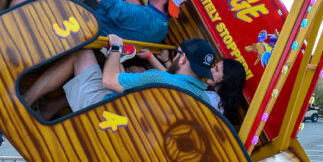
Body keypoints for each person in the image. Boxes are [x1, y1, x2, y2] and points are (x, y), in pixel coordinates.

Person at [23, 36, 216, 119]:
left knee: (82, 55)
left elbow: (109, 81)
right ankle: (48, 108)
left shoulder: (159, 79)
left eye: (176, 53)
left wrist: (116, 48)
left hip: (104, 116)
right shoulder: (205, 101)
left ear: (183, 58)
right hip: (132, 131)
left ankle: (23, 101)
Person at [137, 51, 246, 125]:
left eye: (216, 69)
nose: (211, 70)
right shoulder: (218, 104)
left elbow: (174, 81)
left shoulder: (209, 99)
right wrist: (165, 60)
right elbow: (179, 80)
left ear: (225, 79)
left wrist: (150, 56)